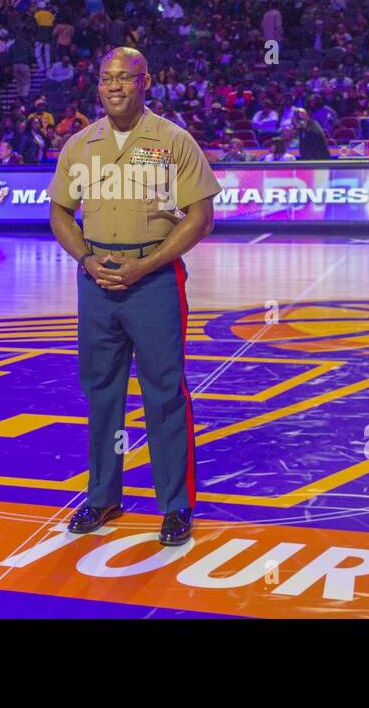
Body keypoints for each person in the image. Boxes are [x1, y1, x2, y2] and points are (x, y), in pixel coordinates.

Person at [48, 46, 221, 547]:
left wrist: (147, 263)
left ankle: (175, 506)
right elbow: (60, 212)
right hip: (96, 280)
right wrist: (84, 258)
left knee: (164, 394)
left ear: (147, 82)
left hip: (154, 280)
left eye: (126, 77)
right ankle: (102, 496)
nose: (115, 86)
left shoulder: (173, 140)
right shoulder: (80, 145)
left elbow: (200, 217)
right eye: (106, 78)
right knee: (101, 392)